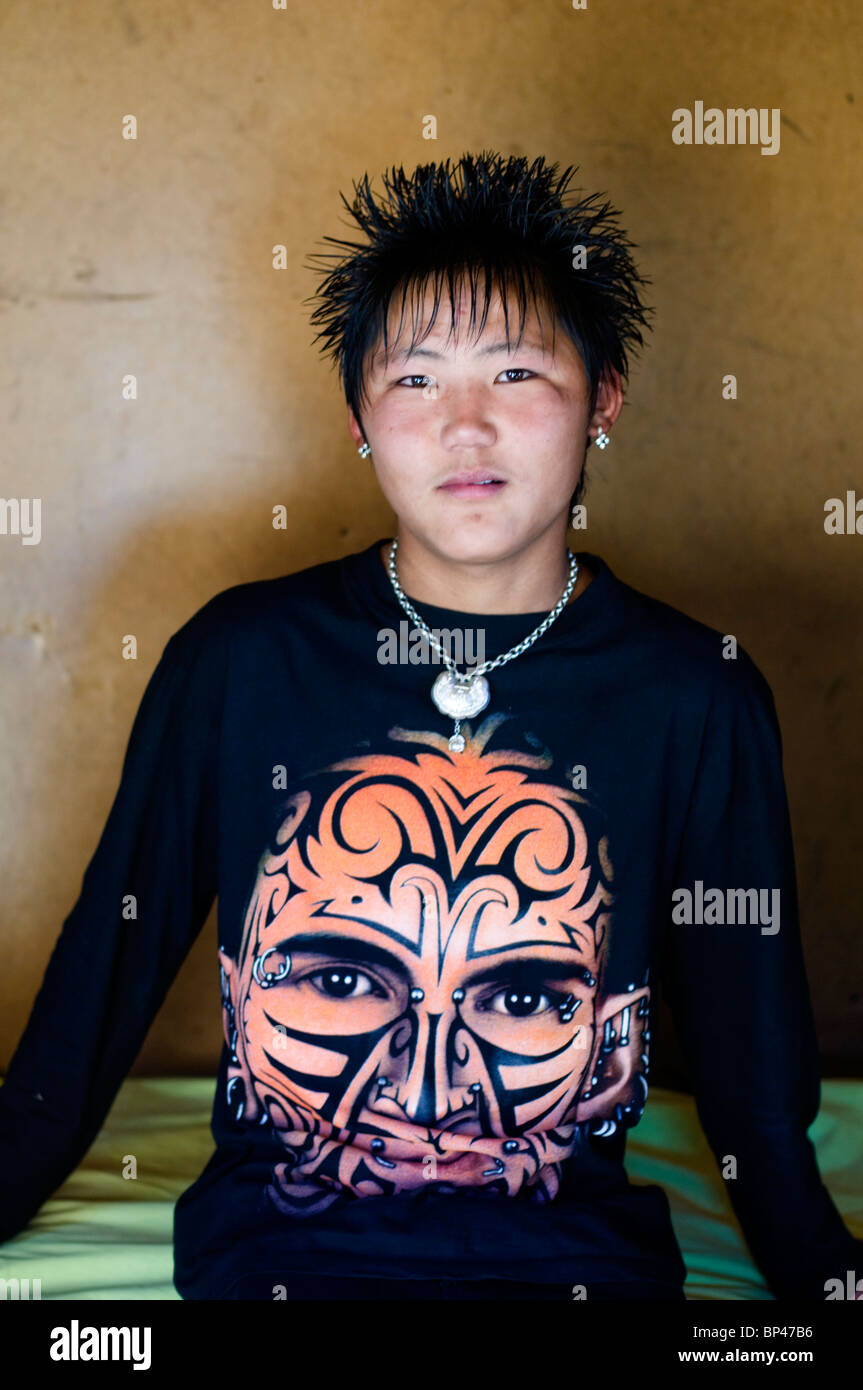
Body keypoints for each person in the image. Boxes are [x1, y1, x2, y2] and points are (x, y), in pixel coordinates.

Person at [1, 151, 860, 1302]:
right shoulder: (240, 659)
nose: (464, 426)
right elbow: (100, 985)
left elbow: (755, 1077)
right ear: (358, 413)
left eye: (514, 371)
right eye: (413, 381)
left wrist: (822, 1283)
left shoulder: (693, 692)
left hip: (578, 1269)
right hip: (278, 1260)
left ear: (603, 396)